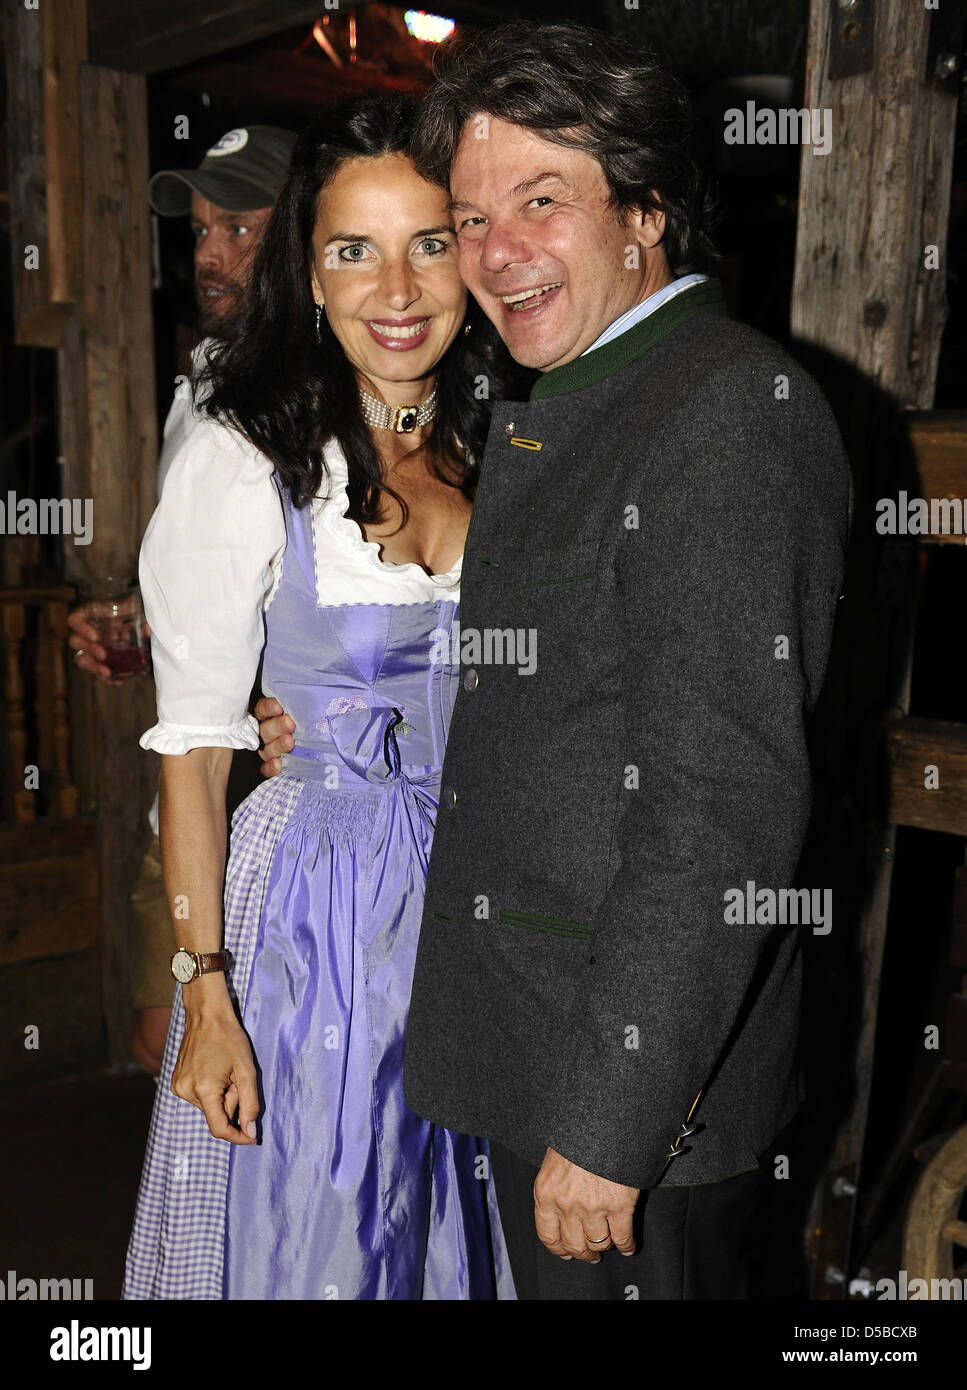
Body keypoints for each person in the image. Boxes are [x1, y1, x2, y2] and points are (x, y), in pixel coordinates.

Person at [256, 21, 854, 1301]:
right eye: (470, 218)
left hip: (629, 1101)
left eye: (542, 202)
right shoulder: (590, 389)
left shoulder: (720, 415)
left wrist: (610, 1124)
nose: (494, 254)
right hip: (546, 1043)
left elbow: (720, 813)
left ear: (644, 210)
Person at [122, 94, 514, 1300]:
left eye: (427, 242)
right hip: (316, 924)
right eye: (353, 249)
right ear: (308, 269)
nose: (395, 288)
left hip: (485, 905)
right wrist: (206, 992)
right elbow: (189, 753)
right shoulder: (243, 452)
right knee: (334, 1236)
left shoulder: (508, 442)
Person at [67, 125, 296, 1074]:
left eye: (239, 226)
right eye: (201, 231)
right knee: (159, 1041)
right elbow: (216, 565)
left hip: (267, 798)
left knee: (224, 1058)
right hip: (189, 784)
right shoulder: (200, 383)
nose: (209, 254)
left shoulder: (327, 390)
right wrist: (138, 609)